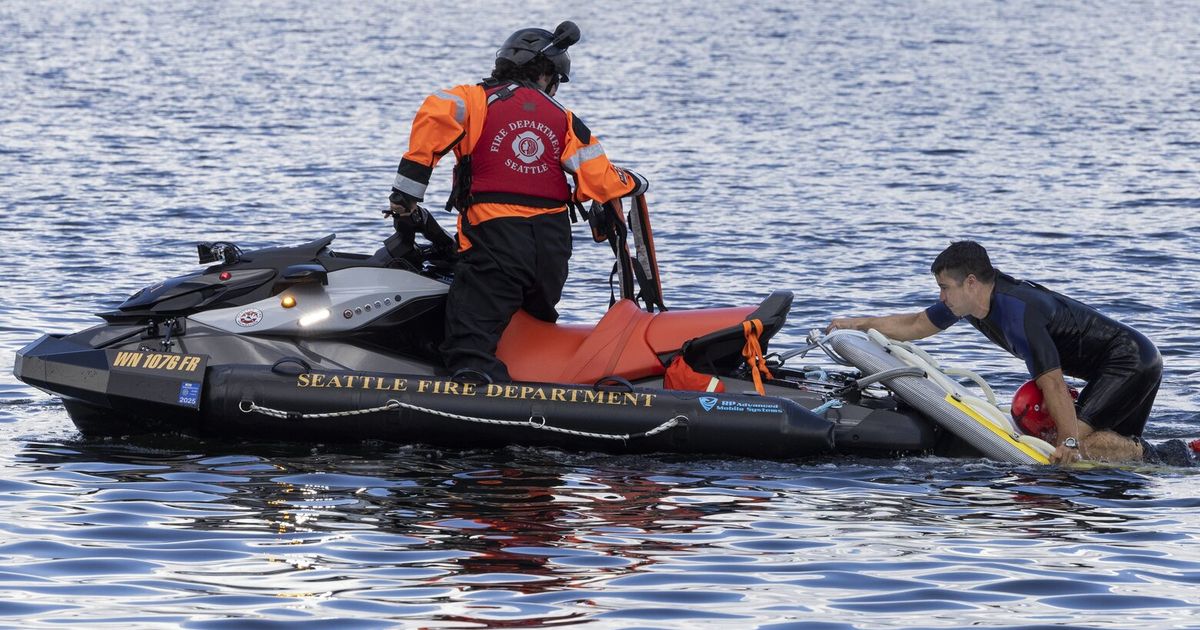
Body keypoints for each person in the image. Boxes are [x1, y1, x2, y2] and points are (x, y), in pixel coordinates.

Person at [388, 21, 648, 382]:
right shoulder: (566, 120)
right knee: (533, 330)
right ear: (546, 74)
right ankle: (544, 396)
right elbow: (601, 182)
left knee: (469, 343)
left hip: (496, 239)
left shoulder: (472, 99)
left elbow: (433, 119)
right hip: (552, 249)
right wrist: (636, 181)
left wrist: (406, 198)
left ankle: (479, 405)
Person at [828, 240, 1163, 465]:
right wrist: (855, 324)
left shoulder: (1018, 312)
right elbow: (916, 324)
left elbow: (1054, 384)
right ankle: (1161, 458)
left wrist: (1070, 443)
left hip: (1129, 361)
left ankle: (1171, 458)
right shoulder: (969, 305)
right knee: (1109, 442)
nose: (941, 297)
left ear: (970, 282)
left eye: (945, 288)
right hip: (1120, 362)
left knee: (1080, 448)